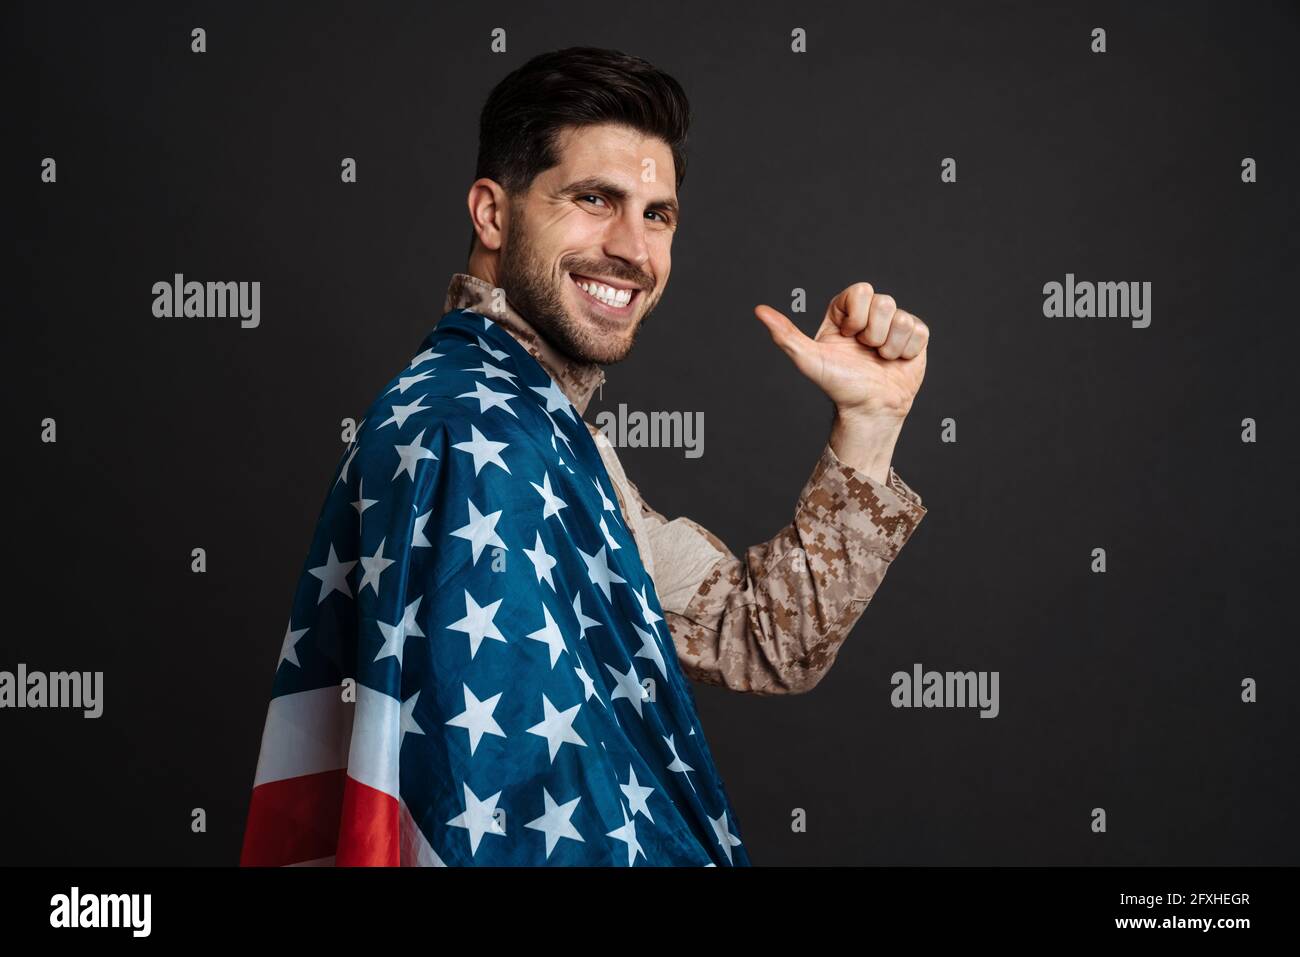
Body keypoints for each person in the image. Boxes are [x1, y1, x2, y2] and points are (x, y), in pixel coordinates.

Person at [240, 46, 929, 867]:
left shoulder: (542, 429)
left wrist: (870, 423)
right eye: (595, 199)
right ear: (493, 215)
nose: (632, 248)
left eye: (657, 214)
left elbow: (758, 637)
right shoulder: (479, 435)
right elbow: (508, 815)